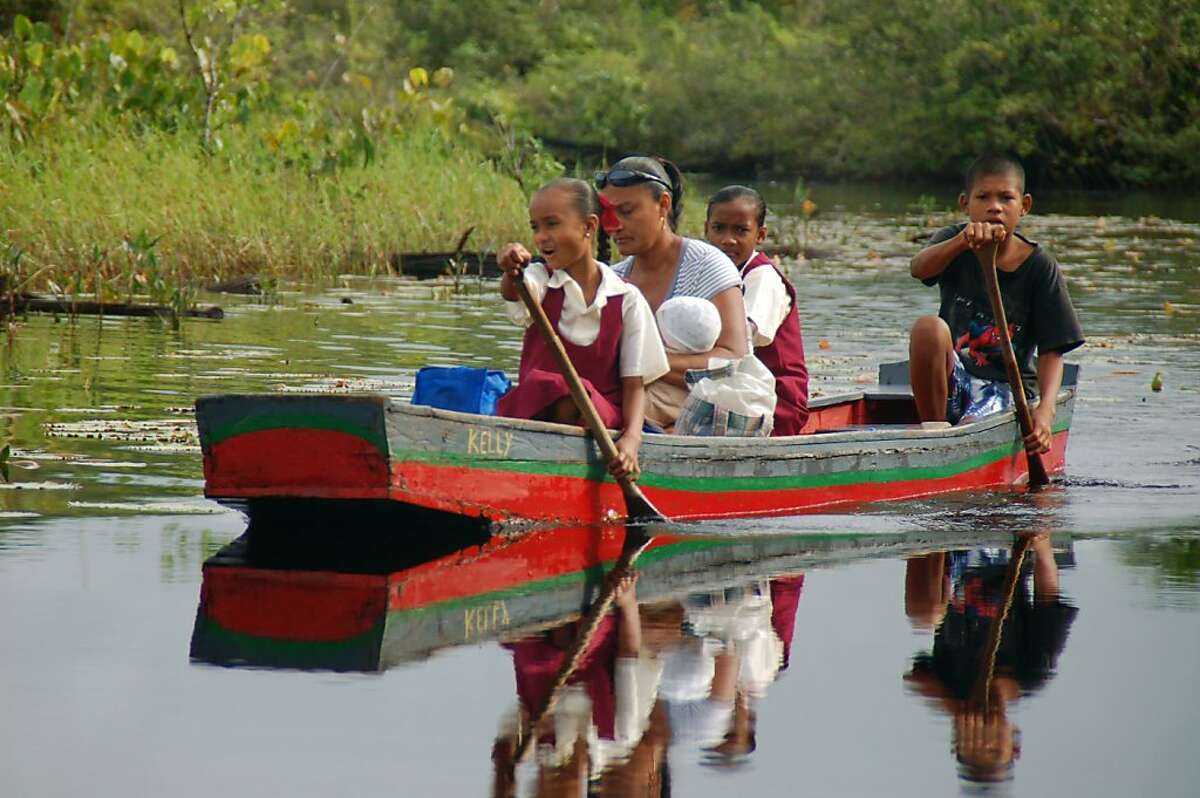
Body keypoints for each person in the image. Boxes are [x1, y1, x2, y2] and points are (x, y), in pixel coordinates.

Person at [908, 154, 1084, 455]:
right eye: (983, 197)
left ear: (1024, 206)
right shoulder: (953, 239)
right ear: (965, 204)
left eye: (1006, 198)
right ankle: (934, 436)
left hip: (1006, 391)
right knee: (928, 328)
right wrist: (963, 242)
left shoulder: (1039, 266)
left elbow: (1053, 350)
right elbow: (919, 269)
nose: (994, 207)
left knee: (982, 417)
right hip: (954, 385)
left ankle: (962, 438)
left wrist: (1045, 411)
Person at [496, 177, 669, 481]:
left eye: (552, 224)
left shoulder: (626, 299)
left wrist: (631, 440)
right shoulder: (540, 279)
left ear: (588, 227)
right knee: (553, 387)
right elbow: (516, 291)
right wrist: (510, 268)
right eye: (536, 227)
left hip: (599, 421)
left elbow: (634, 386)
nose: (542, 237)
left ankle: (567, 471)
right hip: (536, 412)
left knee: (574, 393)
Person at [597, 156, 750, 428]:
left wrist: (646, 361)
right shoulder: (614, 278)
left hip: (703, 411)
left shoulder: (707, 265)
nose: (614, 225)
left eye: (627, 211)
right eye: (609, 213)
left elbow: (733, 360)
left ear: (663, 205)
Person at [705, 185, 811, 435]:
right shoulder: (710, 273)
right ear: (706, 229)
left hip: (776, 402)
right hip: (734, 390)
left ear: (760, 235)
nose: (727, 240)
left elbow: (744, 339)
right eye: (718, 228)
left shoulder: (762, 277)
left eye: (741, 230)